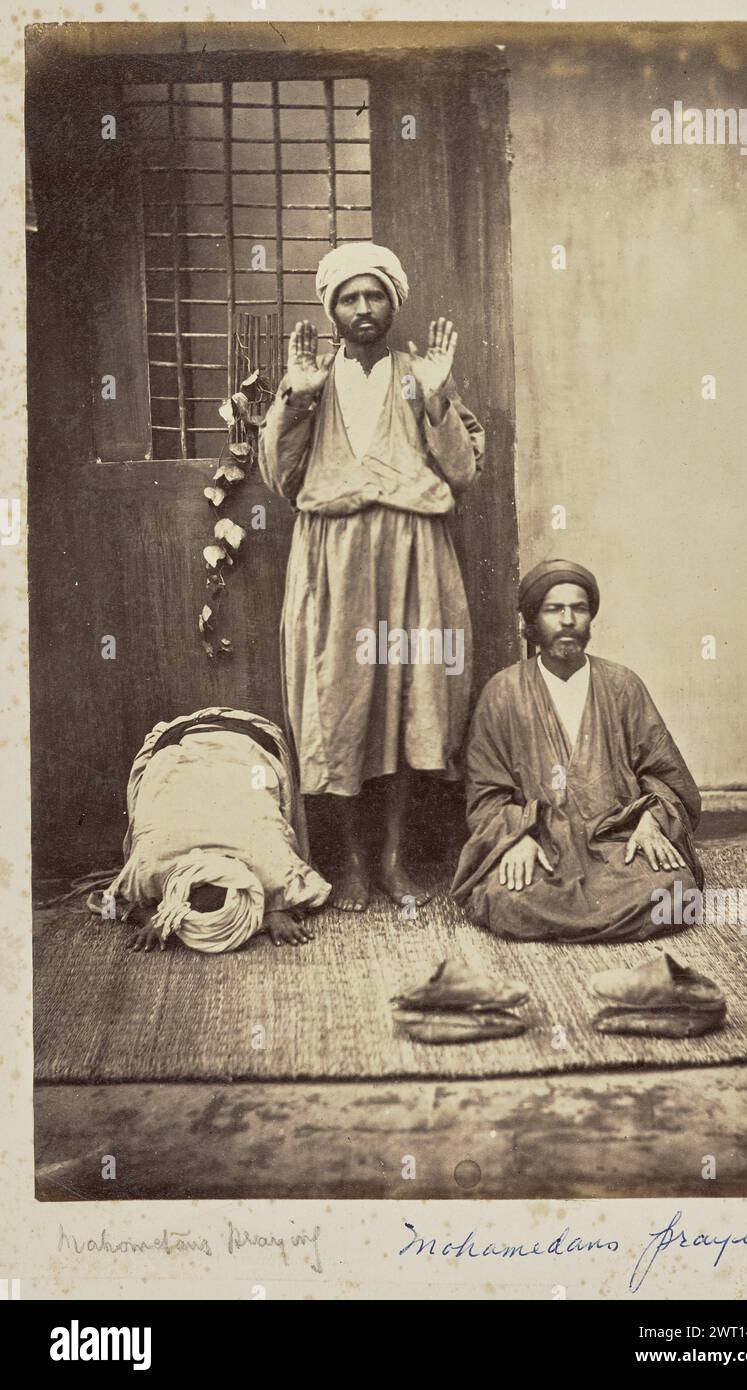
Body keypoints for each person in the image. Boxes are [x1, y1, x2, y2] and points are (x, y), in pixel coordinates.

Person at [259, 241, 484, 912]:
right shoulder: (312, 379)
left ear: (393, 303)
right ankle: (351, 863)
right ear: (331, 310)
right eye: (350, 298)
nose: (363, 308)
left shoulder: (420, 375)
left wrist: (439, 400)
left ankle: (393, 860)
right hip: (334, 562)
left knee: (410, 701)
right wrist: (295, 402)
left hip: (414, 558)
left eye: (375, 295)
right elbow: (283, 478)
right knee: (344, 704)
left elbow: (463, 472)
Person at [451, 559, 704, 941]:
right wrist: (515, 838)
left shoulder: (622, 684)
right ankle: (594, 916)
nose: (568, 619)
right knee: (505, 897)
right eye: (554, 609)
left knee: (676, 890)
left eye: (579, 608)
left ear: (590, 618)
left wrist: (652, 822)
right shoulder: (502, 692)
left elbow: (664, 773)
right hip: (541, 844)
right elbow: (486, 792)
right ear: (532, 620)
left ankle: (571, 919)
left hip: (617, 842)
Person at [100, 708, 331, 952]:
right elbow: (107, 904)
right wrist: (280, 911)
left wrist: (278, 909)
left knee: (262, 792)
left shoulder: (149, 866)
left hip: (227, 741)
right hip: (217, 742)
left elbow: (109, 903)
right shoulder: (148, 866)